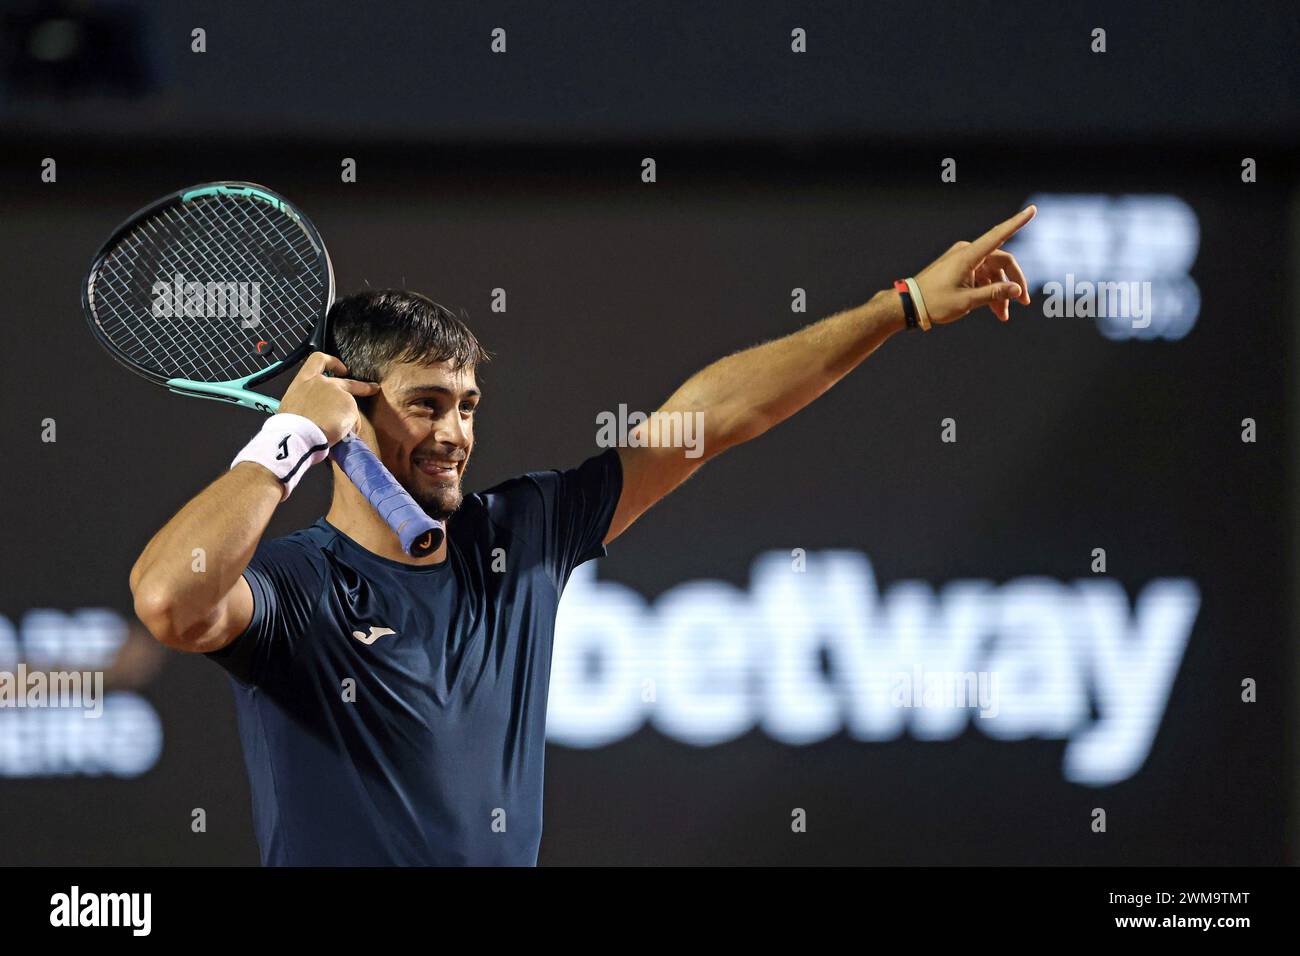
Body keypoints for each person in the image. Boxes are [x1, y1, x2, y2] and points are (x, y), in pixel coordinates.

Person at [128, 206, 1037, 865]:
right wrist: (284, 440)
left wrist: (903, 305)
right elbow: (169, 599)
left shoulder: (522, 534)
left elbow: (710, 420)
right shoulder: (292, 587)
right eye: (426, 406)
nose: (454, 435)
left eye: (468, 406)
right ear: (347, 417)